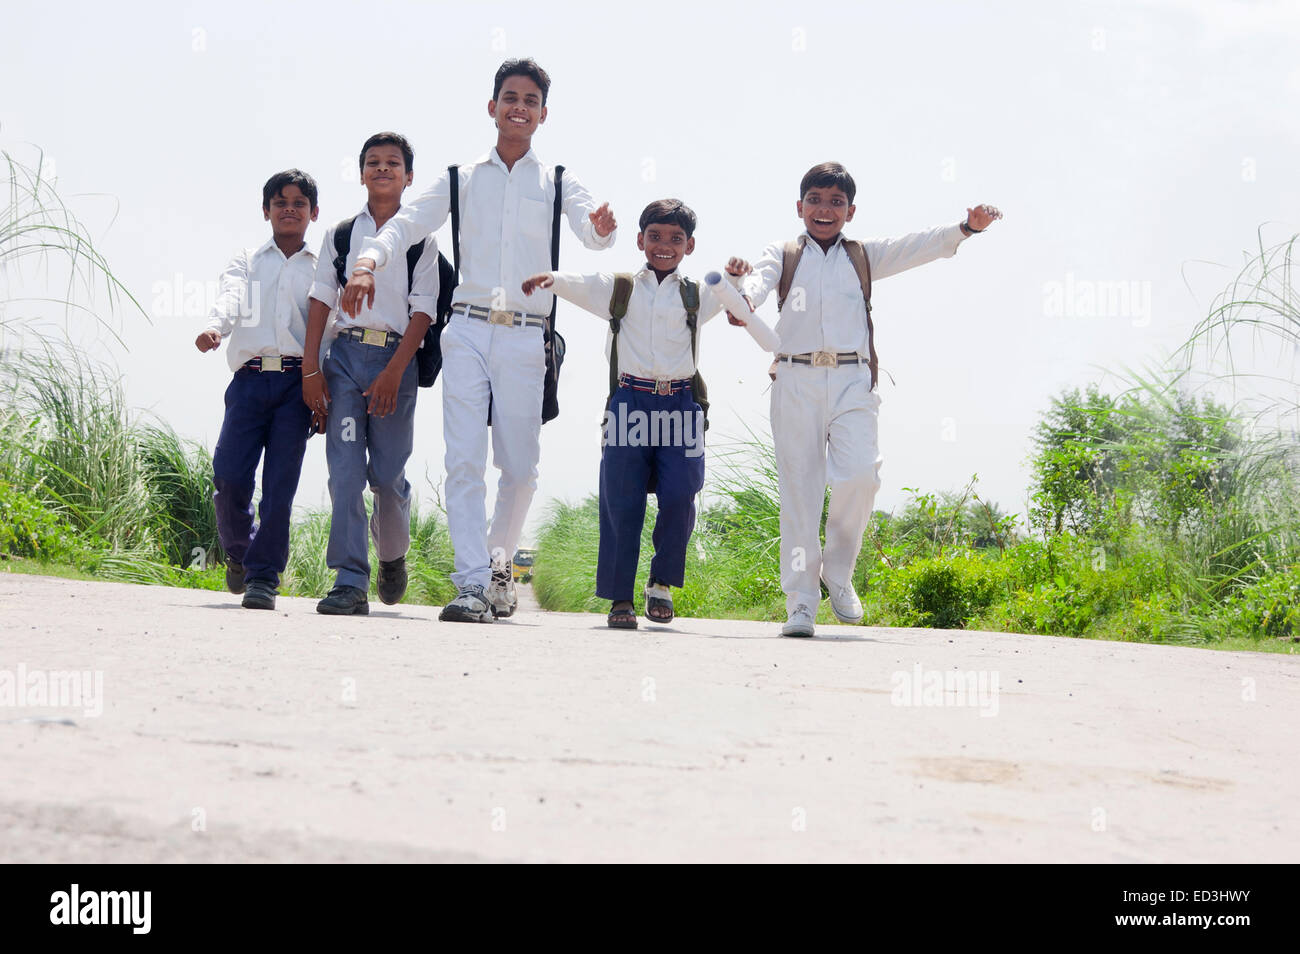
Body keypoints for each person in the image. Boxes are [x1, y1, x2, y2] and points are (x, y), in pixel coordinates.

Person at [341, 58, 617, 623]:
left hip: (527, 334)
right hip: (464, 328)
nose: (520, 107)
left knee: (519, 468)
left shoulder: (559, 180)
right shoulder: (459, 178)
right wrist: (368, 259)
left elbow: (592, 233)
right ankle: (469, 584)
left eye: (531, 100)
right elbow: (408, 223)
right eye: (509, 97)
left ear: (543, 114)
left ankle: (497, 567)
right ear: (492, 107)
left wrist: (605, 228)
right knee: (463, 461)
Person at [735, 161, 1002, 637]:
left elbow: (914, 246)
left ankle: (837, 573)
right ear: (800, 206)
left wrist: (965, 228)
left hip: (853, 379)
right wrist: (746, 299)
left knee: (861, 474)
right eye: (815, 200)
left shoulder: (862, 255)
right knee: (800, 491)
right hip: (795, 378)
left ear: (850, 211)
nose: (824, 209)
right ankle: (801, 601)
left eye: (835, 202)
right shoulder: (783, 253)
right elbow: (756, 279)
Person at [521, 199, 751, 629]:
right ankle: (621, 599)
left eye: (676, 239)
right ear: (640, 239)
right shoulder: (621, 286)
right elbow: (582, 283)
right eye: (656, 236)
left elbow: (732, 296)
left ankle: (661, 582)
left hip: (681, 403)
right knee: (622, 499)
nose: (665, 245)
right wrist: (551, 279)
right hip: (629, 401)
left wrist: (737, 273)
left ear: (690, 245)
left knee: (682, 493)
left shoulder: (696, 294)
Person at [303, 132, 440, 616]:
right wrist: (311, 370)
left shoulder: (421, 239)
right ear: (361, 172)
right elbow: (321, 297)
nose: (383, 169)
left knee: (386, 475)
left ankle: (391, 555)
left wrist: (393, 373)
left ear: (408, 176)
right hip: (343, 361)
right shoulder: (342, 234)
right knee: (344, 472)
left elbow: (423, 312)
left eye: (393, 163)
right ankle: (349, 579)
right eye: (373, 162)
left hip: (394, 363)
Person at [196, 169, 321, 611]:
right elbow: (230, 295)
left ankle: (264, 577)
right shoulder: (248, 259)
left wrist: (320, 388)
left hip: (296, 384)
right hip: (248, 381)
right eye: (280, 201)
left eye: (299, 203)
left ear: (313, 213)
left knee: (280, 484)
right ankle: (239, 551)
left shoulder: (323, 265)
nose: (290, 208)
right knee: (229, 475)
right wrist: (216, 327)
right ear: (266, 210)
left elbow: (330, 326)